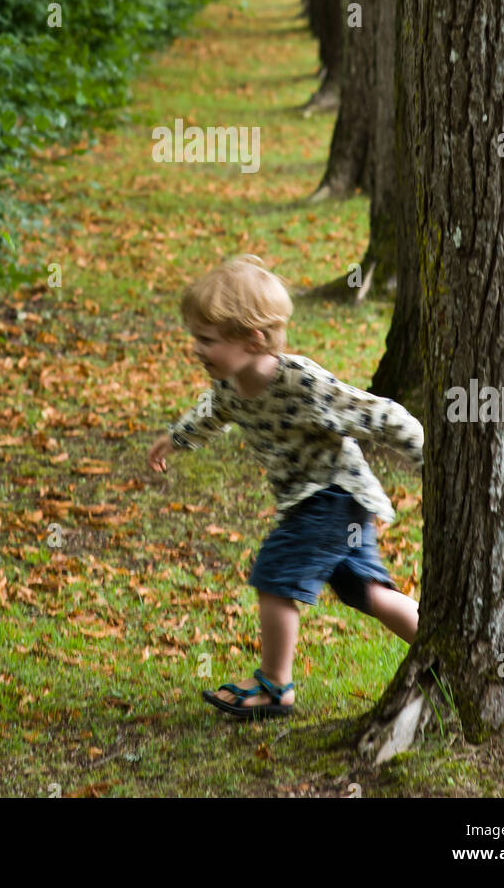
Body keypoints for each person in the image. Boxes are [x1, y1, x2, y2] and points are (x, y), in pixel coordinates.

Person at [147, 254, 424, 719]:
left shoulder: (302, 381)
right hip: (312, 502)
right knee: (365, 592)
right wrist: (174, 440)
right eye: (195, 337)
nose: (196, 348)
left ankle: (276, 686)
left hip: (334, 496)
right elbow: (211, 415)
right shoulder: (233, 385)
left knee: (275, 578)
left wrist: (427, 459)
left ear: (253, 338)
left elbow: (381, 415)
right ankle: (442, 647)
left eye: (206, 339)